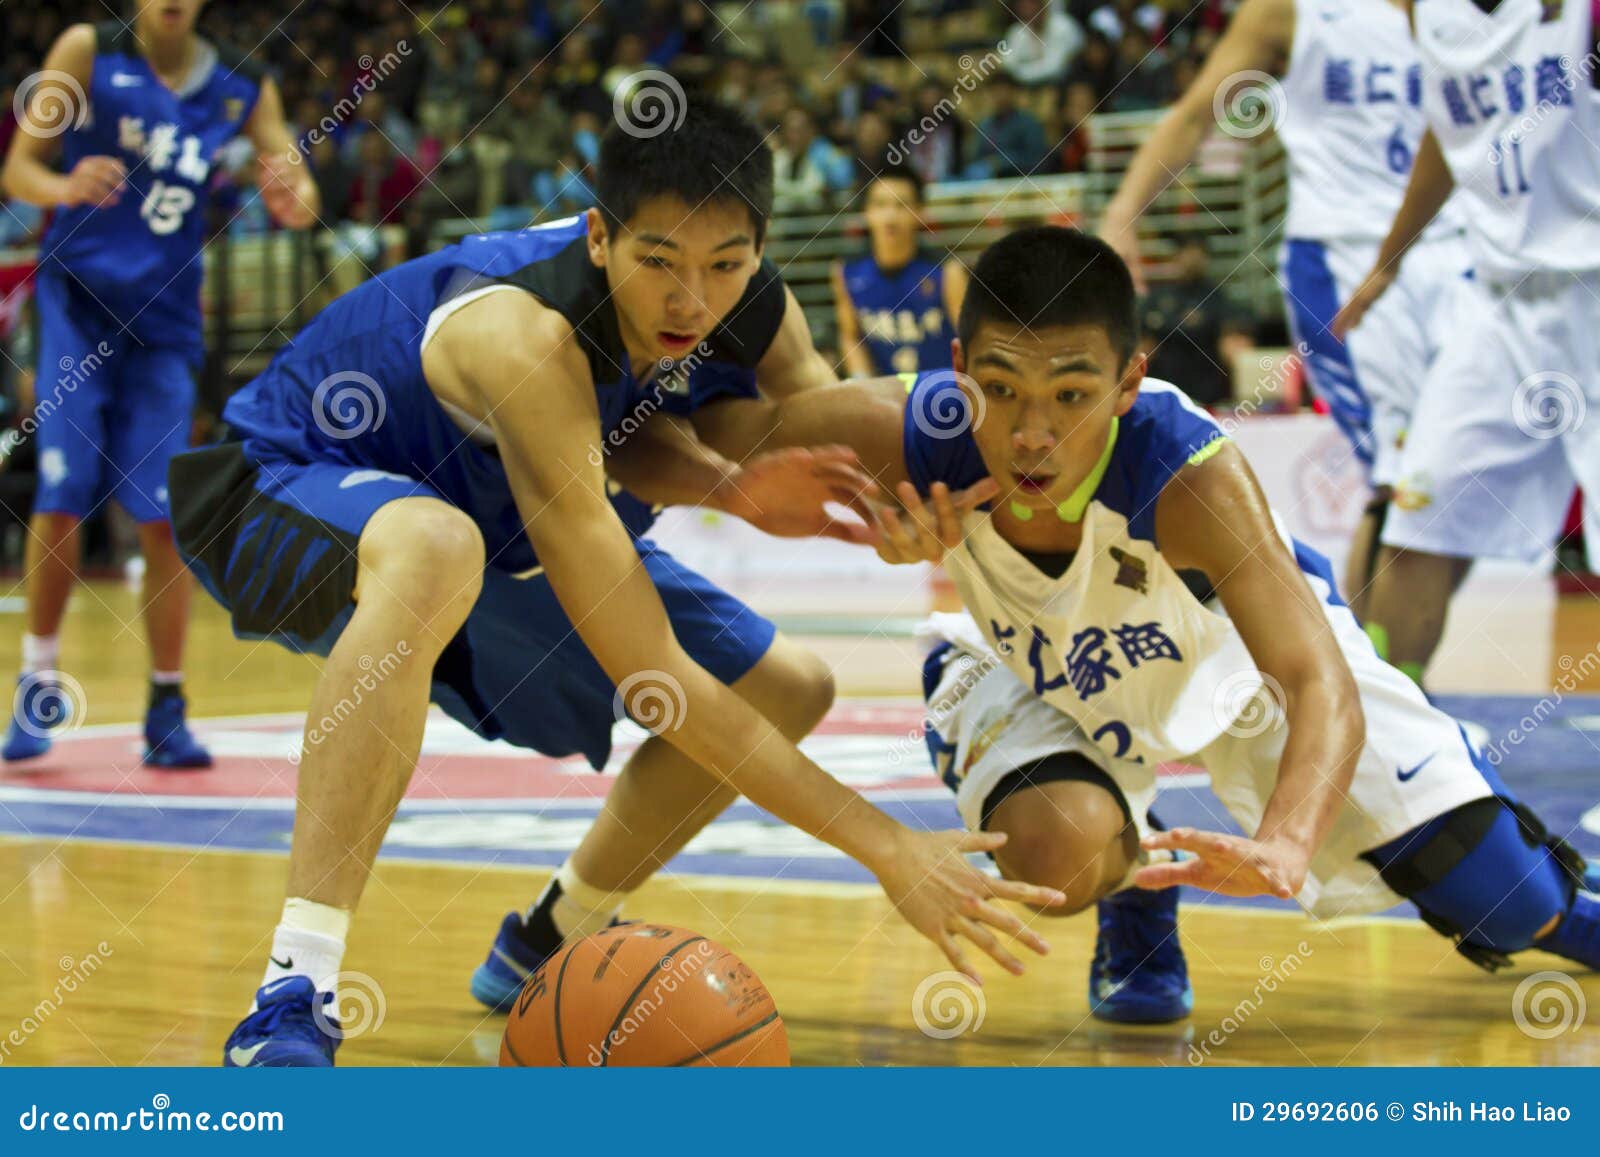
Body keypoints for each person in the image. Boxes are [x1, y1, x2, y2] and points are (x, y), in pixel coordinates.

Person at [171, 101, 1065, 1068]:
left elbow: (783, 426)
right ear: (599, 238)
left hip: (490, 530)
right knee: (438, 551)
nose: (691, 299)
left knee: (790, 685)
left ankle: (548, 939)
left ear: (759, 250)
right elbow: (653, 669)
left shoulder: (744, 305)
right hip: (279, 484)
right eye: (660, 262)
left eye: (724, 265)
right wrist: (889, 846)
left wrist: (906, 524)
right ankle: (295, 989)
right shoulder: (527, 337)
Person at [686, 227, 1600, 1015]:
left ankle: (1551, 888)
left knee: (1509, 899)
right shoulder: (906, 430)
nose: (1032, 431)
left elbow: (1314, 676)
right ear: (960, 372)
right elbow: (722, 425)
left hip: (1233, 662)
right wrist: (795, 498)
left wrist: (1284, 842)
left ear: (1129, 381)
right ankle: (1135, 894)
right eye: (1001, 391)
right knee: (1055, 858)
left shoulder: (1192, 474)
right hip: (1035, 668)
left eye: (1072, 395)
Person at [0, 0, 318, 767]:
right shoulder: (85, 50)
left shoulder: (243, 84)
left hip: (166, 322)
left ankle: (168, 705)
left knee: (162, 510)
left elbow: (295, 185)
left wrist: (292, 197)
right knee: (63, 492)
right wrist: (63, 183)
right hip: (76, 306)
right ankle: (37, 687)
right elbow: (17, 169)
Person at [1100, 0, 1472, 625]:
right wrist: (1122, 215)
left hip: (1460, 253)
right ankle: (1382, 680)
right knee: (1404, 478)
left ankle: (1375, 672)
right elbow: (1196, 113)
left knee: (1454, 476)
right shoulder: (1289, 12)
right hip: (1346, 261)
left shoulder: (1464, 13)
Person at [1332, 0, 1600, 687]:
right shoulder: (1433, 13)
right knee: (1421, 518)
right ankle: (1398, 746)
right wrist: (1390, 260)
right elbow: (1452, 135)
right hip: (1500, 299)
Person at [830, 164, 967, 378]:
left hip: (943, 393)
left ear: (920, 212)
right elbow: (850, 337)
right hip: (885, 395)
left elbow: (969, 339)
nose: (890, 217)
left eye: (902, 205)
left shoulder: (948, 270)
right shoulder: (846, 270)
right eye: (880, 204)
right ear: (866, 212)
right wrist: (862, 381)